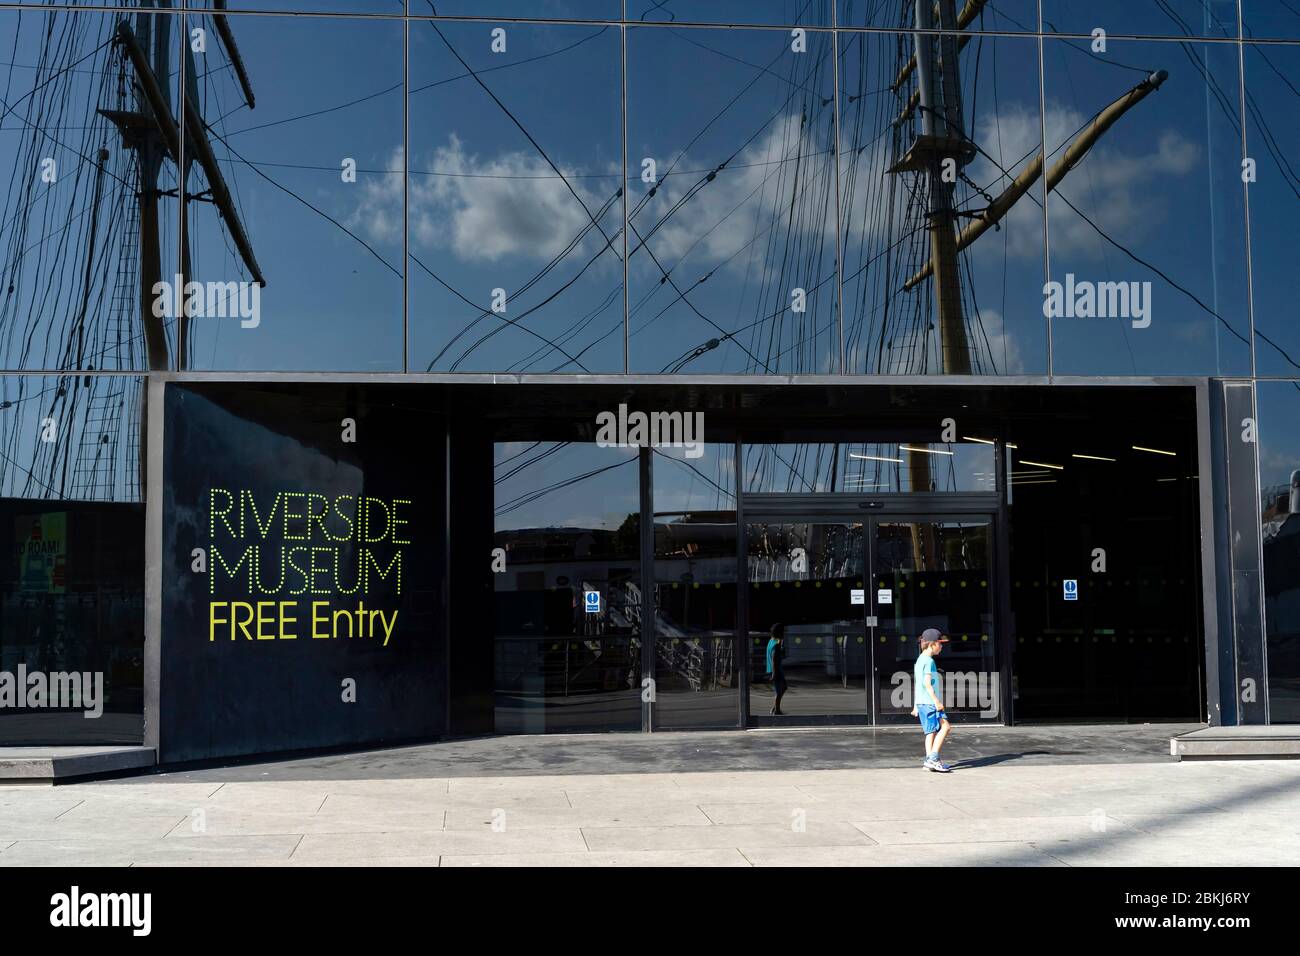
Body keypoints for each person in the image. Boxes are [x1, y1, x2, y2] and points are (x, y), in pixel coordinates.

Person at [910, 628, 952, 772]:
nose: (941, 646)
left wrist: (916, 705)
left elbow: (917, 683)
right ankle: (933, 758)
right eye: (940, 644)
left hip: (922, 703)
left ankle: (929, 762)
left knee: (930, 733)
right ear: (932, 644)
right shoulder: (929, 662)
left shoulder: (920, 659)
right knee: (946, 727)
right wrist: (937, 701)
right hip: (930, 703)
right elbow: (926, 684)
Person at [766, 623, 787, 716]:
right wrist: (774, 674)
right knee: (779, 691)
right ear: (780, 632)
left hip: (776, 669)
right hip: (776, 670)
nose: (784, 633)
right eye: (783, 631)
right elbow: (775, 659)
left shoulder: (771, 641)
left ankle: (775, 708)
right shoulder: (776, 644)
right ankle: (776, 710)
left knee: (784, 687)